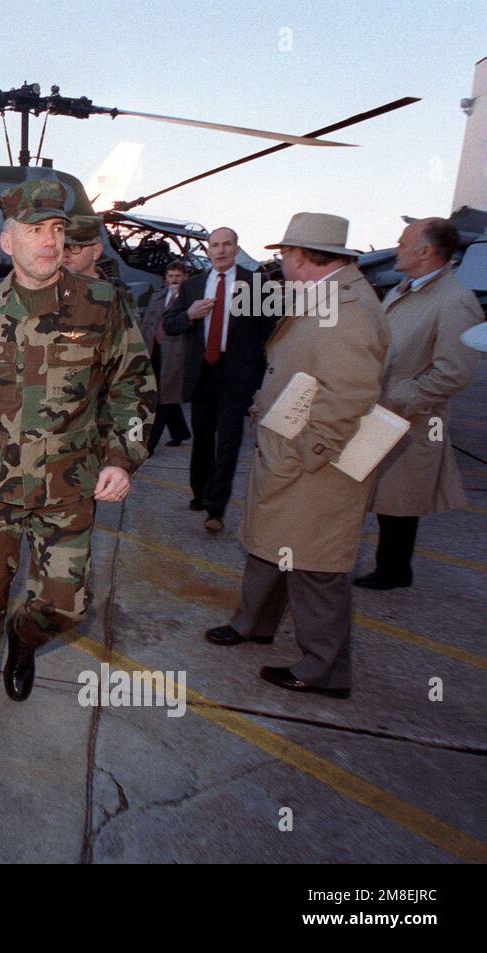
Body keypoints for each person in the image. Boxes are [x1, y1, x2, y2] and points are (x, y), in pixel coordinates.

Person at [0, 180, 156, 756]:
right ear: (7, 242)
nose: (49, 241)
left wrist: (122, 456)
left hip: (69, 482)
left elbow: (133, 388)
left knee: (67, 604)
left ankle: (24, 637)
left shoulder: (103, 305)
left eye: (58, 231)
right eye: (35, 231)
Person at [205, 213, 388, 700]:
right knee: (270, 546)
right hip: (288, 445)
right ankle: (254, 625)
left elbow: (350, 394)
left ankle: (324, 670)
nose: (280, 260)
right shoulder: (322, 295)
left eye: (286, 253)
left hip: (317, 463)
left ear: (305, 257)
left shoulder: (347, 308)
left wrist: (308, 453)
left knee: (316, 568)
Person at [357, 218, 482, 590]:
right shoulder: (403, 290)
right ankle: (391, 567)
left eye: (402, 242)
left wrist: (399, 398)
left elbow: (453, 373)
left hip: (406, 418)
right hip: (380, 412)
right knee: (381, 496)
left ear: (425, 251)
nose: (396, 248)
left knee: (399, 500)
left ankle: (394, 570)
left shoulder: (455, 301)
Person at [163, 227, 274, 532]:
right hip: (203, 373)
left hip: (236, 375)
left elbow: (270, 334)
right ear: (208, 250)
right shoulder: (195, 285)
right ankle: (200, 493)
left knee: (228, 440)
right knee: (201, 438)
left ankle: (217, 508)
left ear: (237, 249)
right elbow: (170, 324)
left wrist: (263, 380)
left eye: (227, 245)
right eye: (215, 245)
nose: (221, 250)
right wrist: (190, 315)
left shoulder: (256, 284)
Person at [138, 260, 193, 452]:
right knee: (160, 394)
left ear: (185, 277)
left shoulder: (191, 299)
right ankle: (180, 432)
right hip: (154, 351)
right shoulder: (157, 296)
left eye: (178, 276)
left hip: (176, 355)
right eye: (171, 276)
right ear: (165, 278)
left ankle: (149, 445)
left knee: (163, 398)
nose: (174, 280)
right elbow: (147, 324)